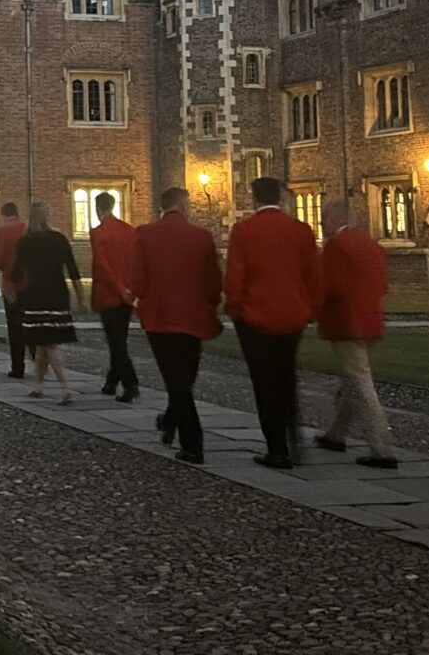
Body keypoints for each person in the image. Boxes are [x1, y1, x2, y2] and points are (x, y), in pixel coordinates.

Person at [226, 176, 323, 470]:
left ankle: (276, 448)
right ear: (280, 197)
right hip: (293, 315)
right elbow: (314, 276)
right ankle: (295, 438)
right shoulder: (301, 230)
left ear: (254, 198)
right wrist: (310, 310)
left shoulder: (243, 230)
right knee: (287, 378)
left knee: (265, 383)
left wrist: (235, 310)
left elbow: (234, 278)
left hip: (256, 317)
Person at [130, 187, 223, 464]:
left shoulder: (145, 234)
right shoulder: (201, 236)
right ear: (184, 206)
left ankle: (189, 439)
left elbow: (138, 279)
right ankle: (177, 427)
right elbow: (213, 281)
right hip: (193, 316)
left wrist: (138, 301)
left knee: (176, 380)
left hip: (159, 316)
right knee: (184, 378)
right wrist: (211, 304)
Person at [315, 202, 396, 469]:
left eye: (323, 218)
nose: (321, 223)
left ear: (334, 218)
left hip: (347, 323)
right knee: (351, 381)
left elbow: (331, 287)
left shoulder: (337, 245)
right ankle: (335, 434)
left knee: (361, 384)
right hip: (371, 320)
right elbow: (382, 285)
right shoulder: (369, 243)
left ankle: (382, 448)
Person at [15, 201, 81, 401]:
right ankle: (38, 386)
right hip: (57, 294)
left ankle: (65, 388)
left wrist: (12, 291)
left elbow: (17, 271)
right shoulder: (59, 239)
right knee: (43, 343)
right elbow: (73, 269)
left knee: (48, 344)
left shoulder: (26, 241)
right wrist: (80, 297)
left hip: (35, 295)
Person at [90, 191, 140, 403]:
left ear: (98, 208)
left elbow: (102, 266)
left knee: (116, 342)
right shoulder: (129, 230)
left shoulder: (98, 233)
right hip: (127, 294)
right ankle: (111, 382)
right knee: (119, 338)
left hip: (109, 293)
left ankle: (130, 383)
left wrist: (119, 288)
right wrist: (130, 290)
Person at [0, 202, 26, 378]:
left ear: (4, 214)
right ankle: (38, 357)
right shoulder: (27, 229)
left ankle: (18, 366)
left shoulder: (1, 231)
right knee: (31, 321)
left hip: (11, 284)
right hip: (30, 284)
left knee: (14, 325)